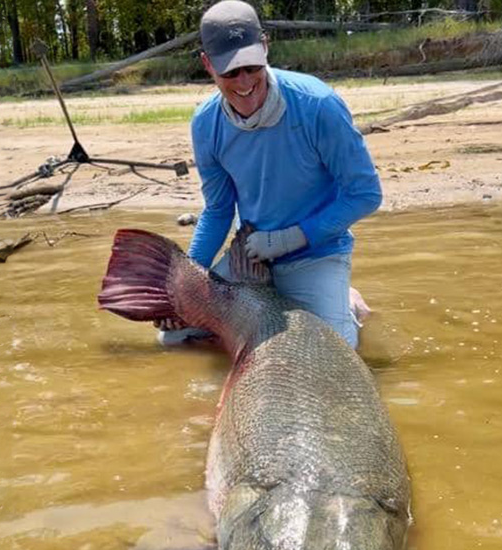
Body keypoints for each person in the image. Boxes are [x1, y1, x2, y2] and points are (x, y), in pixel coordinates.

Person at [160, 0, 381, 349]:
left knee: (335, 351)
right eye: (230, 72)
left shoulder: (318, 105)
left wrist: (292, 238)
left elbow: (366, 194)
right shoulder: (205, 123)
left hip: (316, 253)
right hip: (251, 257)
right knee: (173, 337)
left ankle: (345, 302)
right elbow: (218, 210)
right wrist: (187, 284)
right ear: (207, 64)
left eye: (252, 67)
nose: (245, 82)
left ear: (265, 46)